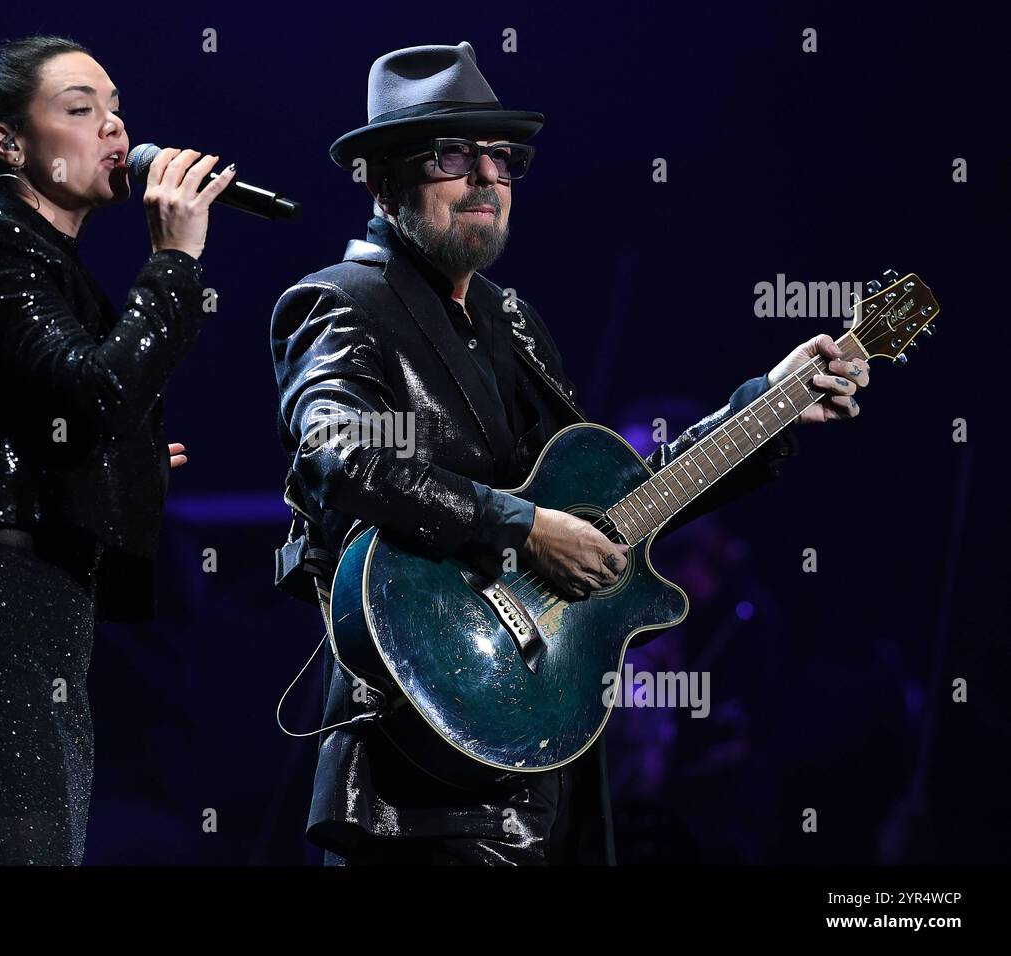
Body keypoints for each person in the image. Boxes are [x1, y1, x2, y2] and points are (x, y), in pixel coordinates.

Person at [270, 40, 870, 865]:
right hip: (418, 771)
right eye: (452, 154)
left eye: (502, 156)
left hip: (546, 754)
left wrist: (769, 405)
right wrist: (520, 528)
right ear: (381, 181)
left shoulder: (512, 321)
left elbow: (615, 509)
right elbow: (337, 455)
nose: (486, 176)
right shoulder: (342, 303)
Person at [0, 35, 235, 865]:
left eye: (115, 106)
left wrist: (125, 466)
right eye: (81, 109)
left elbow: (76, 412)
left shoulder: (51, 271)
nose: (115, 127)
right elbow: (95, 395)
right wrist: (175, 260)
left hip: (30, 640)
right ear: (9, 143)